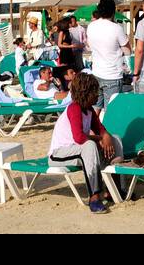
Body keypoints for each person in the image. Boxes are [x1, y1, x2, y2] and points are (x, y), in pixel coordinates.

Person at [48, 74, 120, 215]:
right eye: (95, 92)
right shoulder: (74, 108)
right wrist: (99, 138)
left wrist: (105, 136)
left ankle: (115, 188)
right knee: (89, 145)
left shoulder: (89, 110)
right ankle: (94, 197)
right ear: (86, 93)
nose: (97, 96)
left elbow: (101, 128)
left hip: (77, 150)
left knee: (115, 139)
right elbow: (79, 138)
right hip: (58, 154)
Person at [85, 0, 129, 106]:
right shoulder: (116, 28)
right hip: (112, 75)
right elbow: (127, 50)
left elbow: (89, 45)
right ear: (113, 11)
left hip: (96, 72)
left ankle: (93, 124)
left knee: (95, 108)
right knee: (110, 112)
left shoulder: (91, 26)